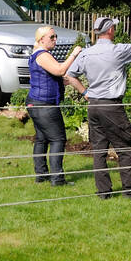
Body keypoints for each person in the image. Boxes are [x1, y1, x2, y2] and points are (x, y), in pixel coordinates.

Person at [65, 15, 131, 199]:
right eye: (115, 28)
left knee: (99, 151)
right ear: (110, 30)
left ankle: (103, 192)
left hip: (94, 106)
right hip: (111, 107)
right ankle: (129, 190)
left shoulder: (86, 53)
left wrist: (85, 92)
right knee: (125, 148)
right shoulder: (117, 50)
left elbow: (70, 75)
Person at [28, 26, 81, 186]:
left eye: (55, 36)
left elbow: (47, 75)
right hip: (44, 105)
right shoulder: (42, 55)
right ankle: (57, 179)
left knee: (42, 139)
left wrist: (60, 81)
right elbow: (59, 70)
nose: (55, 39)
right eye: (52, 37)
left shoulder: (40, 55)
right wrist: (74, 54)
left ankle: (41, 174)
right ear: (41, 39)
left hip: (36, 102)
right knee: (58, 139)